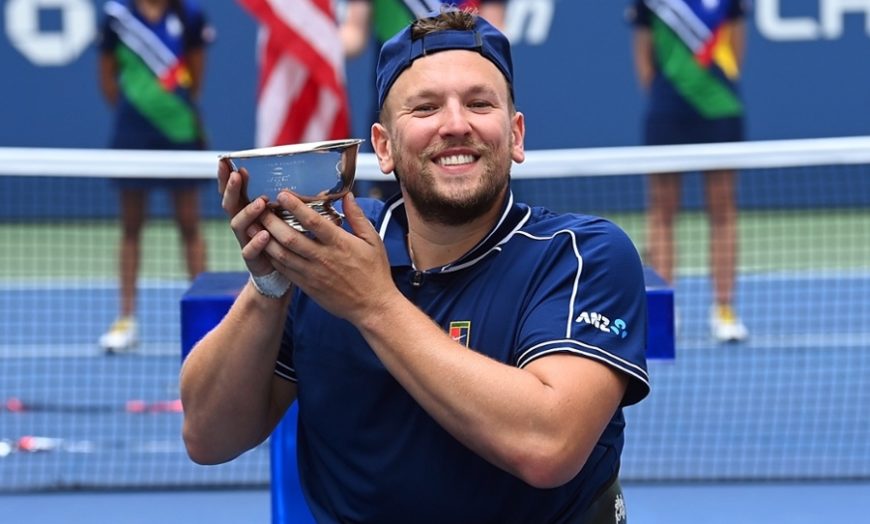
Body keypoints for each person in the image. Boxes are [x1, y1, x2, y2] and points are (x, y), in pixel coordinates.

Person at [181, 8, 649, 523]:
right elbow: (207, 436)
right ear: (383, 147)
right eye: (425, 108)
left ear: (516, 135)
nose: (455, 124)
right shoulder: (330, 250)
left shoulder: (581, 255)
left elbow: (548, 446)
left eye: (478, 103)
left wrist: (373, 305)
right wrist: (271, 284)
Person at [97, 0, 214, 353]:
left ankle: (205, 322)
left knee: (190, 225)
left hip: (180, 133)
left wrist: (170, 112)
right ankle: (127, 319)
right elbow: (107, 78)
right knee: (131, 227)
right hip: (133, 135)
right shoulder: (116, 17)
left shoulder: (190, 15)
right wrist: (141, 108)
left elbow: (195, 77)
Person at [628, 0, 749, 343]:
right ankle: (666, 313)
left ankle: (724, 310)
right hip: (667, 110)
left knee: (723, 207)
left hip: (720, 105)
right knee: (662, 209)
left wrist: (710, 86)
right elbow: (643, 56)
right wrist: (666, 93)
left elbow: (737, 51)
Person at [339, 0, 508, 199]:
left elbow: (493, 36)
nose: (455, 127)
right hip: (399, 109)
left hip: (467, 87)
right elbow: (354, 35)